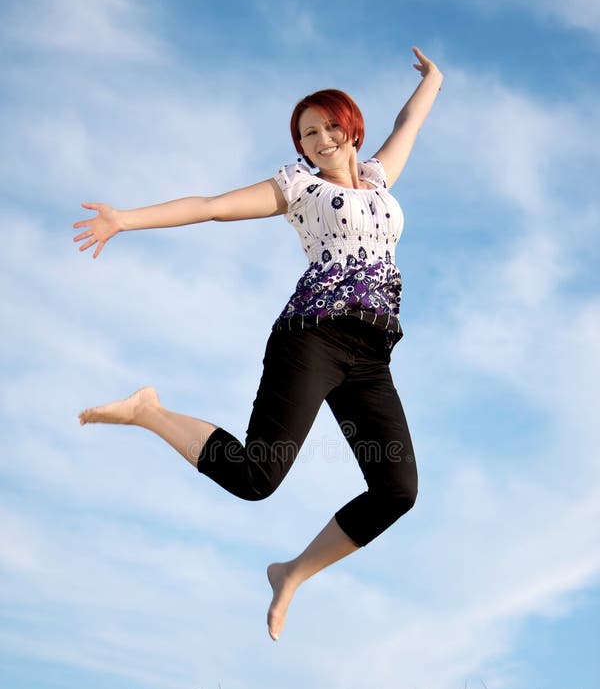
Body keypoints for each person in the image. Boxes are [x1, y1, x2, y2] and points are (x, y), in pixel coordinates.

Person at [74, 46, 444, 642]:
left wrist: (434, 80)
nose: (319, 140)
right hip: (313, 338)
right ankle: (148, 410)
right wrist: (126, 219)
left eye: (327, 127)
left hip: (372, 357)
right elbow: (211, 207)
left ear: (350, 128)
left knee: (398, 490)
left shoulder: (377, 179)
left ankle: (293, 572)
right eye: (307, 134)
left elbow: (409, 125)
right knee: (256, 477)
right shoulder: (298, 187)